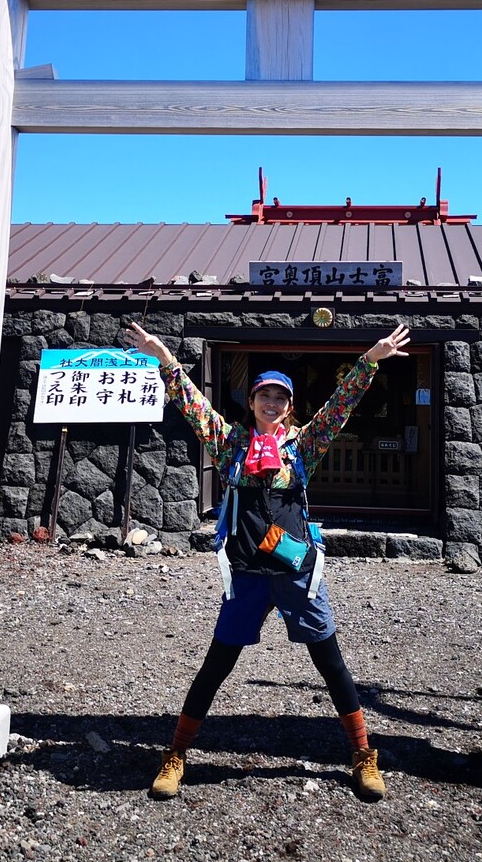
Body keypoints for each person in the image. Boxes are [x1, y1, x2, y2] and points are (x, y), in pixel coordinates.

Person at [122, 320, 411, 802]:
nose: (271, 405)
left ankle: (363, 756)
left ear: (289, 406)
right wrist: (161, 356)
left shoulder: (304, 446)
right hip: (247, 576)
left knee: (331, 664)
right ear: (251, 401)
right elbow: (191, 403)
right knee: (216, 665)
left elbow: (340, 407)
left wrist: (369, 361)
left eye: (280, 399)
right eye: (263, 397)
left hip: (296, 571)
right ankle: (175, 755)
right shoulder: (229, 443)